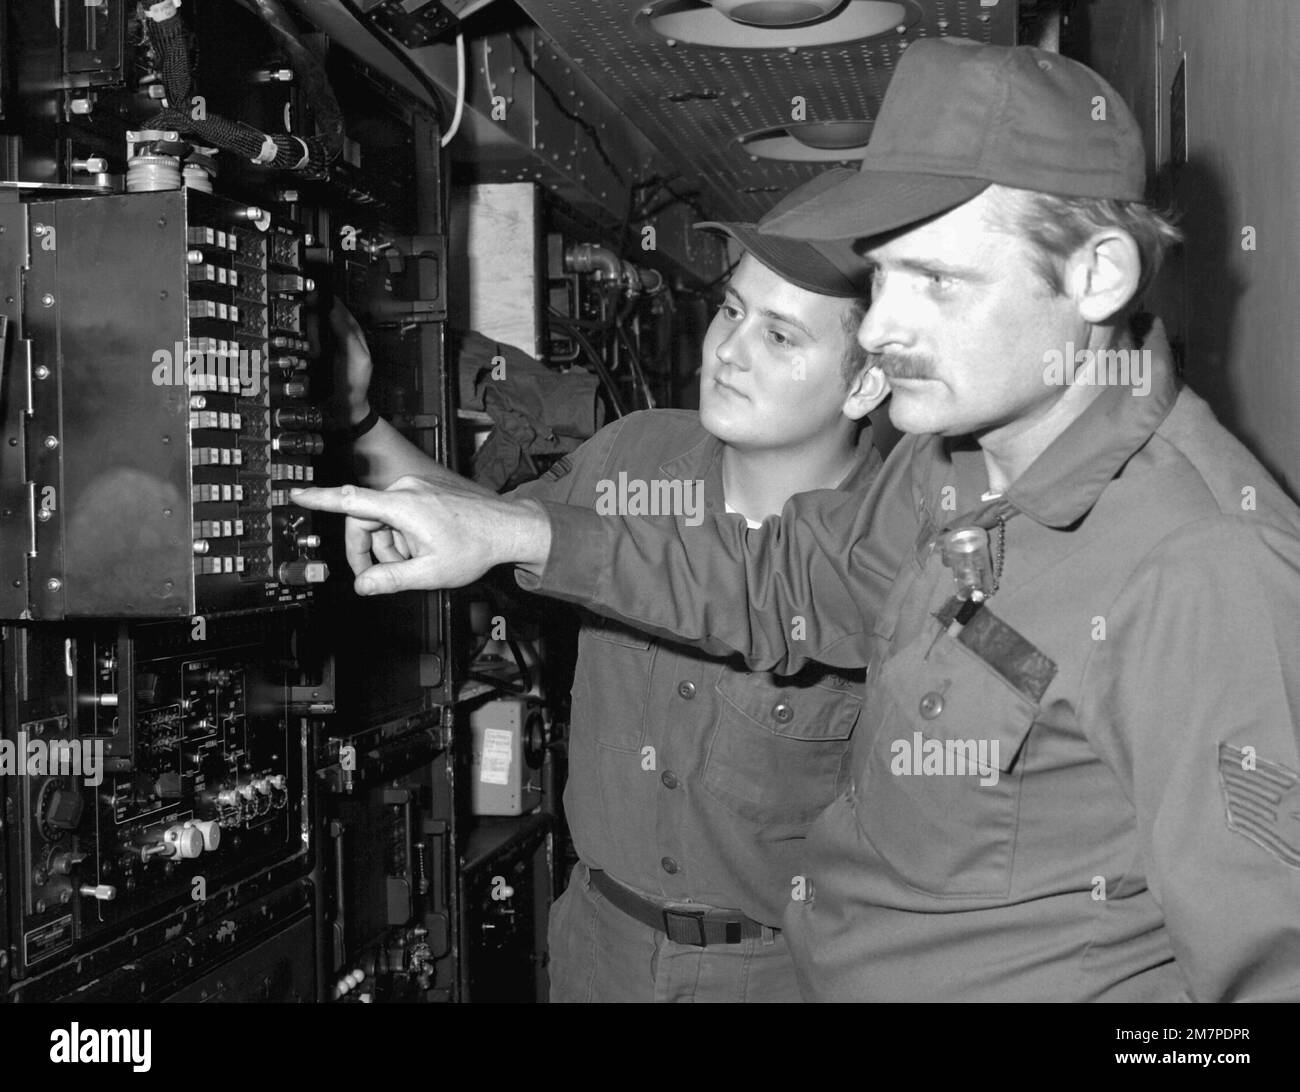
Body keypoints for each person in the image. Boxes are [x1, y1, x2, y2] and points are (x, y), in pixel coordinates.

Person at [295, 38, 1300, 1001]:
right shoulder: (952, 468)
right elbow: (778, 582)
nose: (880, 325)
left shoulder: (1206, 569)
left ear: (1097, 277)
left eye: (937, 281)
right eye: (883, 274)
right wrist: (516, 533)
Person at [324, 169, 887, 1001]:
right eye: (732, 310)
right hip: (599, 948)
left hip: (778, 972)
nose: (727, 351)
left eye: (779, 337)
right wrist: (361, 420)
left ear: (868, 382)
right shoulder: (636, 458)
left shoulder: (891, 544)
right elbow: (495, 529)